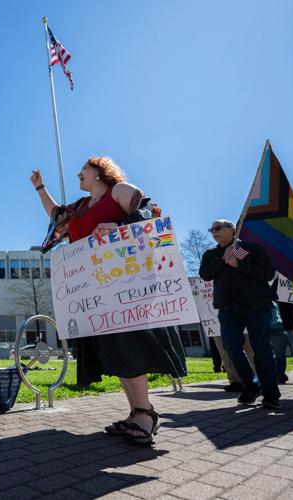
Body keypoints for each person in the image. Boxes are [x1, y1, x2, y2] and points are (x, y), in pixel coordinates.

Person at [33, 156, 185, 446]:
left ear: (100, 172)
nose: (79, 173)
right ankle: (137, 412)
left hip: (123, 281)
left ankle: (145, 414)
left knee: (128, 344)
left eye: (84, 169)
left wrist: (118, 225)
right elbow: (55, 216)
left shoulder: (118, 191)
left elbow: (147, 210)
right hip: (94, 288)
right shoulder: (79, 207)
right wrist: (40, 187)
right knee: (114, 349)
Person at [200, 219, 281, 409]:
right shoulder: (211, 254)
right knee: (231, 346)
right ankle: (251, 386)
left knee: (262, 350)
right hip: (228, 309)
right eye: (211, 229)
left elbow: (268, 274)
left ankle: (270, 394)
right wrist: (222, 260)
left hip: (257, 307)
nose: (214, 232)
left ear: (232, 230)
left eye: (218, 228)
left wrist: (238, 265)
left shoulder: (252, 249)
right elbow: (205, 274)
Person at [269, 303, 291, 384]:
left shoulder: (274, 302)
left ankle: (279, 374)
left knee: (278, 354)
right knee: (279, 354)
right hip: (277, 327)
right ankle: (279, 374)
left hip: (276, 328)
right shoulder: (274, 302)